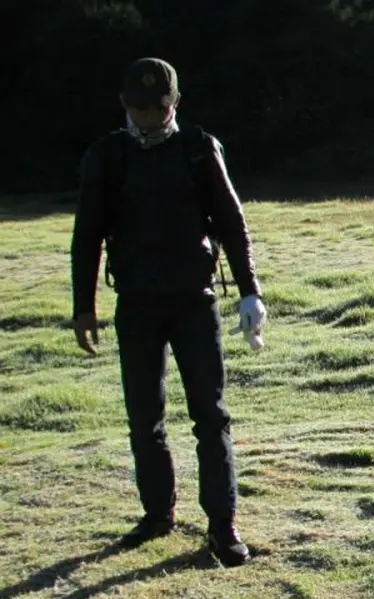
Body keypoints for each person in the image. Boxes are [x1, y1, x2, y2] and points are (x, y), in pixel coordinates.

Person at [69, 58, 267, 567]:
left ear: (174, 103)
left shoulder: (199, 150)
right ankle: (157, 514)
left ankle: (222, 526)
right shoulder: (106, 157)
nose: (149, 118)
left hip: (194, 302)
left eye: (157, 108)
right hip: (136, 304)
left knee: (211, 416)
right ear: (123, 105)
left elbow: (231, 220)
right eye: (139, 109)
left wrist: (250, 292)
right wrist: (83, 307)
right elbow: (86, 234)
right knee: (144, 418)